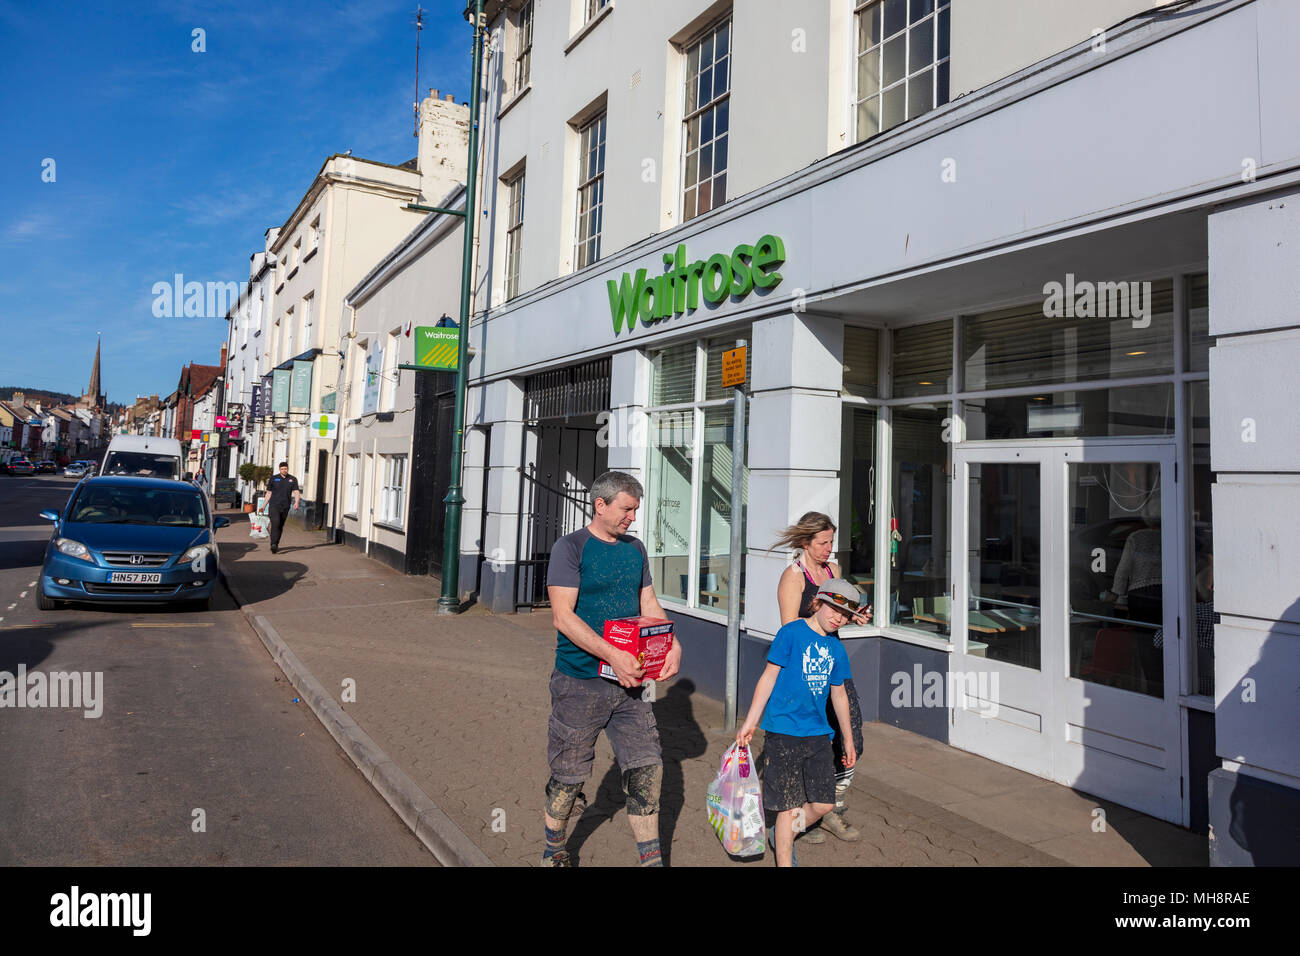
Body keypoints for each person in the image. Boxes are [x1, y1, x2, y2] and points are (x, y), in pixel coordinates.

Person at [542, 471, 682, 867]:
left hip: (632, 687)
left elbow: (648, 604)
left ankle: (651, 862)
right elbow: (563, 617)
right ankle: (554, 850)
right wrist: (612, 655)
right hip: (579, 683)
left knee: (647, 771)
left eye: (635, 510)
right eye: (626, 509)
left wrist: (672, 641)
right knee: (569, 779)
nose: (632, 518)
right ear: (599, 505)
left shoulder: (635, 549)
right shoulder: (570, 548)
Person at [737, 578, 861, 867]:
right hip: (784, 731)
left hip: (819, 734)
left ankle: (781, 834)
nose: (838, 618)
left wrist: (849, 738)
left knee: (823, 804)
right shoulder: (790, 633)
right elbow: (768, 677)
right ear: (818, 603)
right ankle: (784, 858)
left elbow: (839, 694)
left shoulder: (837, 649)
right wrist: (751, 722)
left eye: (845, 615)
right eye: (834, 609)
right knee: (789, 806)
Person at [773, 512, 870, 843]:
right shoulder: (793, 578)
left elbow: (840, 610)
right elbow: (790, 635)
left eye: (832, 541)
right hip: (805, 673)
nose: (829, 548)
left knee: (849, 734)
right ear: (805, 543)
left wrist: (854, 616)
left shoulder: (833, 571)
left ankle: (832, 808)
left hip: (834, 666)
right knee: (809, 740)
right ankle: (803, 815)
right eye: (823, 542)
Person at [265, 461, 301, 554]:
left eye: (285, 469)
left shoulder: (292, 479)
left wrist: (297, 502)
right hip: (274, 505)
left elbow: (296, 491)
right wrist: (264, 505)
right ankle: (273, 544)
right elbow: (269, 493)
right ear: (279, 469)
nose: (284, 470)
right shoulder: (273, 479)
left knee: (280, 525)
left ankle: (276, 543)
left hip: (285, 506)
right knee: (275, 523)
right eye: (282, 469)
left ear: (287, 469)